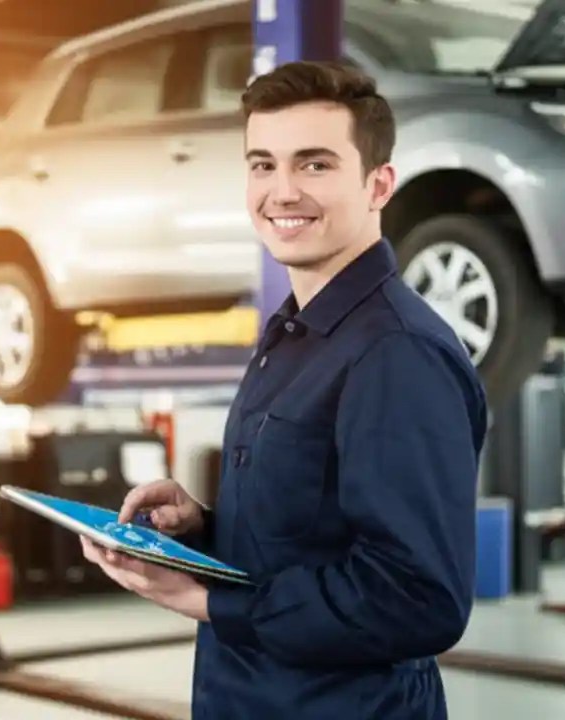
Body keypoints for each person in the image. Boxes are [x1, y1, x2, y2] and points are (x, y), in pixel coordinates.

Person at [80, 60, 489, 719]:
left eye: (315, 164)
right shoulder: (294, 335)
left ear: (379, 184)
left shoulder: (395, 353)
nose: (282, 191)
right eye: (262, 164)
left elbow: (418, 599)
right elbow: (310, 540)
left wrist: (206, 601)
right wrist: (203, 532)